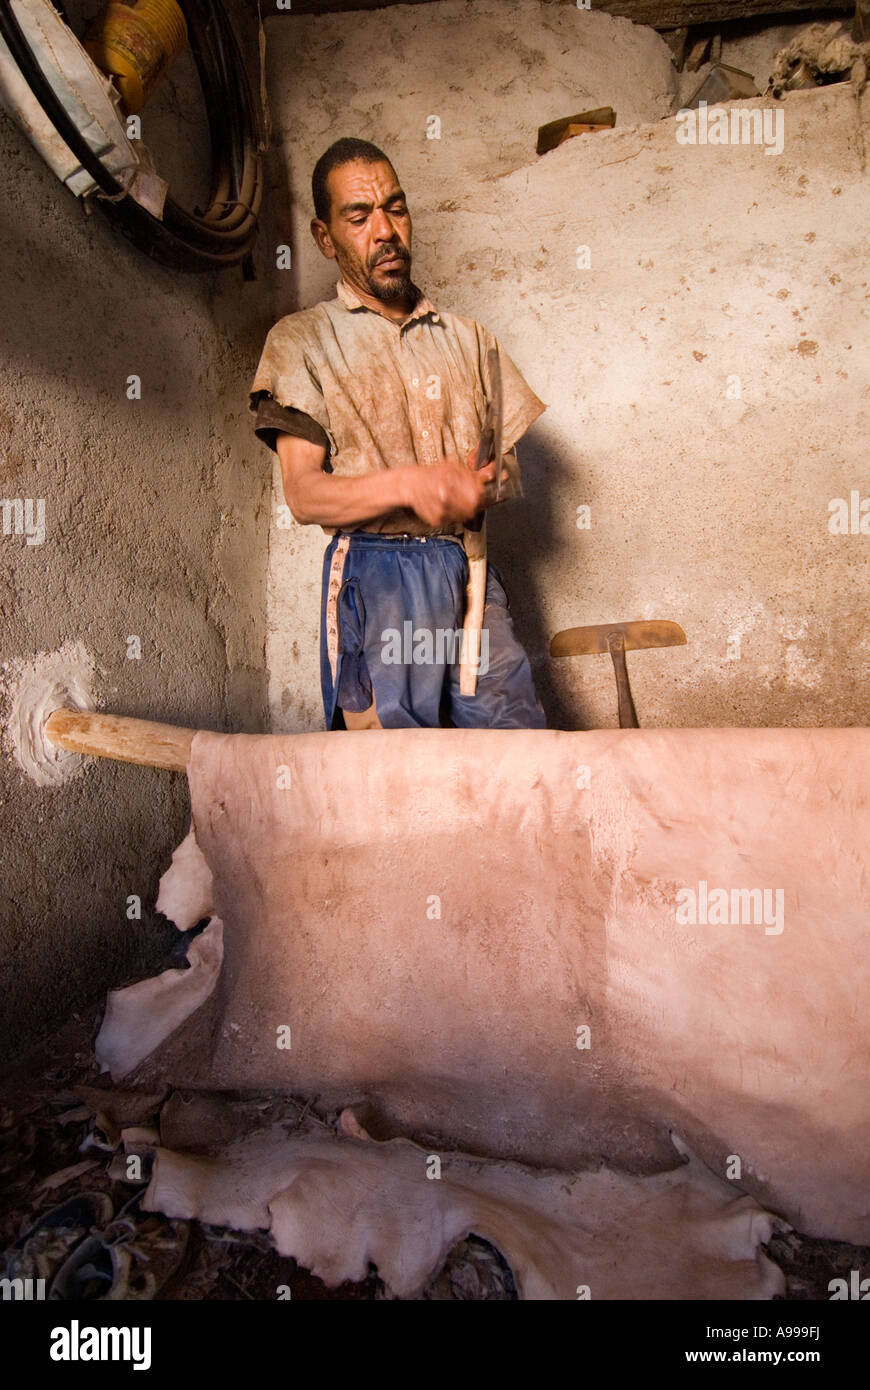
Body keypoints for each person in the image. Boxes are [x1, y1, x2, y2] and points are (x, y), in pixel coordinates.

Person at [249, 137, 547, 731]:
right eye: (359, 217)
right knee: (397, 787)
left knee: (517, 757)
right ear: (325, 238)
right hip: (377, 579)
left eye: (396, 208)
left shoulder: (471, 339)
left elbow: (511, 469)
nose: (384, 230)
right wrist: (413, 484)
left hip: (470, 571)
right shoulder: (301, 341)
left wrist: (488, 483)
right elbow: (305, 495)